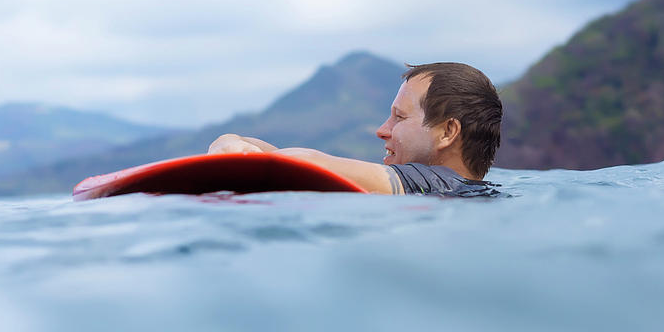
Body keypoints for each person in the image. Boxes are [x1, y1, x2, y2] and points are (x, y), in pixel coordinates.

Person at [208, 62, 502, 196]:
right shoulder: (459, 192)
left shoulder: (433, 182)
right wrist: (232, 140)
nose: (382, 130)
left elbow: (307, 163)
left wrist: (237, 153)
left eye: (399, 117)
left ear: (447, 132)